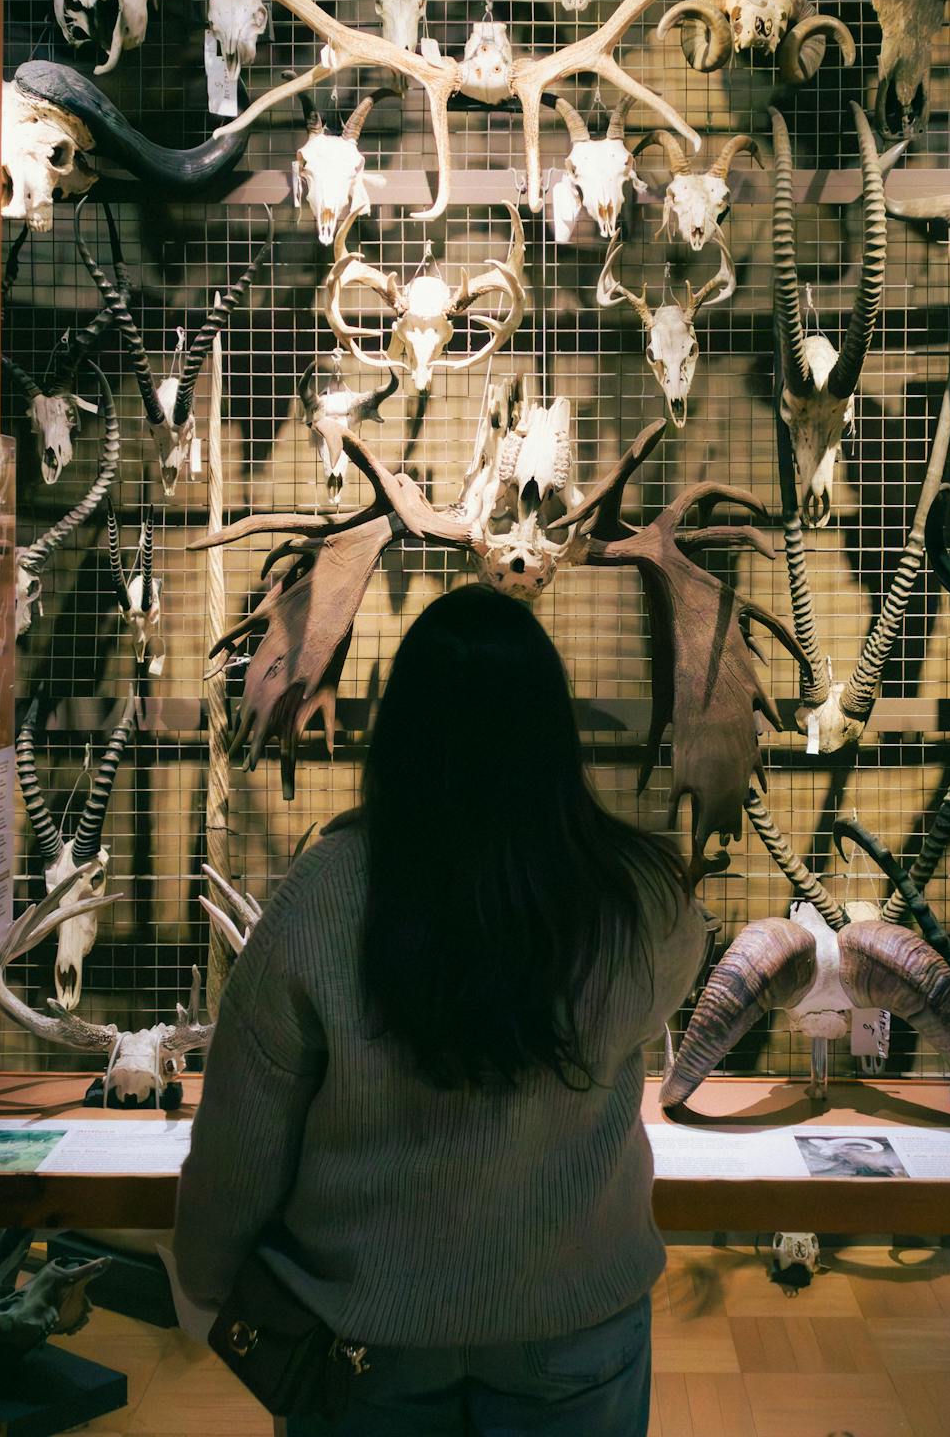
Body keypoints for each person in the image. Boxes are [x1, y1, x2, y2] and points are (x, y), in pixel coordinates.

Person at [174, 584, 707, 1435]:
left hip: (364, 1337)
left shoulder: (325, 895)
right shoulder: (640, 900)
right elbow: (654, 1004)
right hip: (573, 1325)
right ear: (552, 731)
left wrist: (202, 1283)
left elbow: (243, 1133)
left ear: (401, 730)